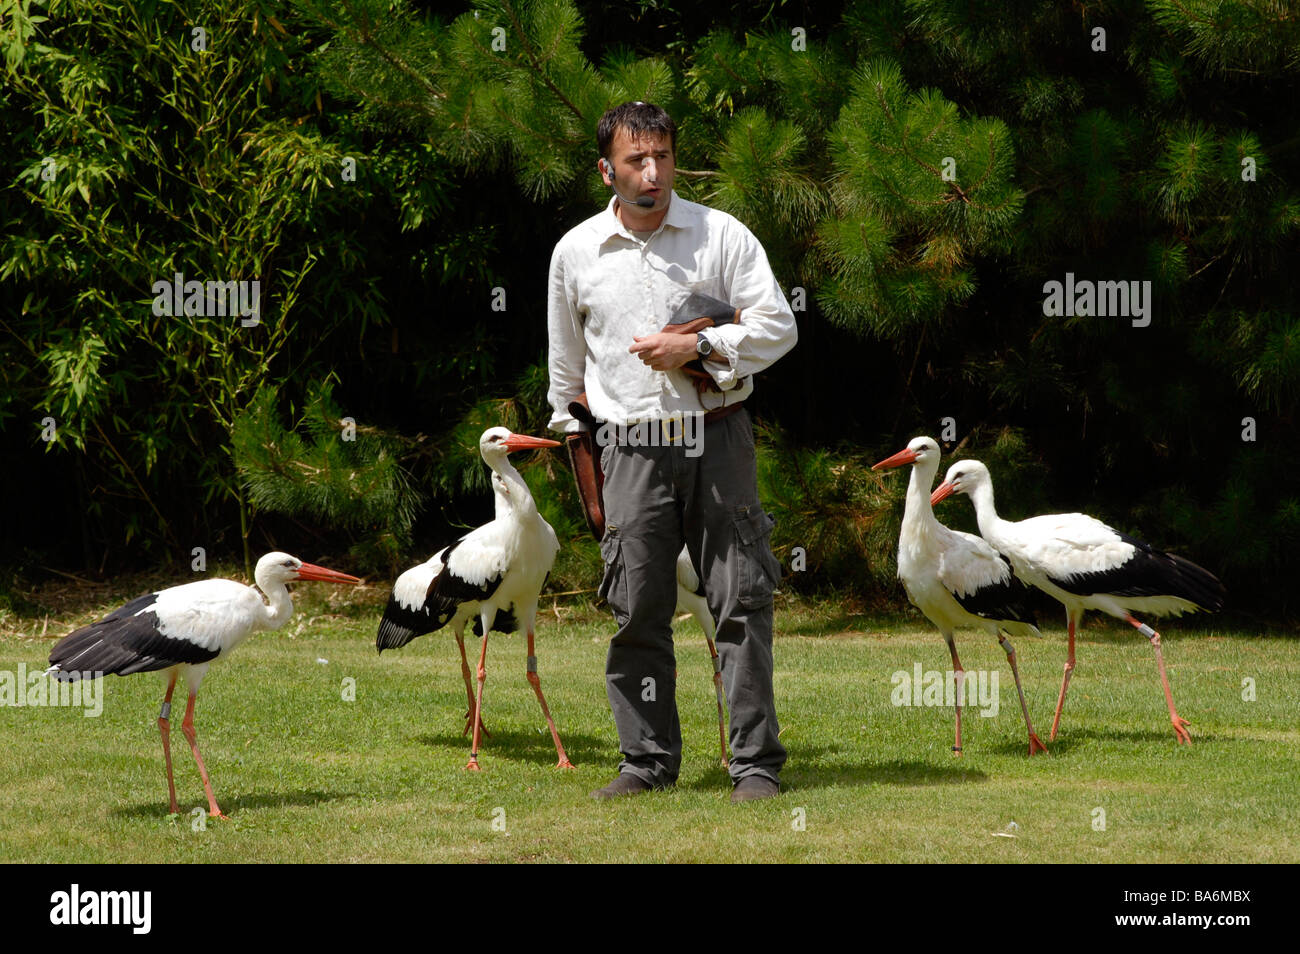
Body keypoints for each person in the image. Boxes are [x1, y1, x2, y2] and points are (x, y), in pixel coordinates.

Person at [546, 102, 797, 802]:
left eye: (662, 156)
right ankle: (646, 762)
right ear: (606, 169)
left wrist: (702, 345)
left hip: (717, 436)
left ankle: (754, 766)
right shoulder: (575, 253)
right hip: (628, 445)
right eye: (635, 160)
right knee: (637, 610)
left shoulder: (722, 234)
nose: (652, 171)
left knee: (742, 599)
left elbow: (779, 328)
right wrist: (586, 464)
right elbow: (565, 379)